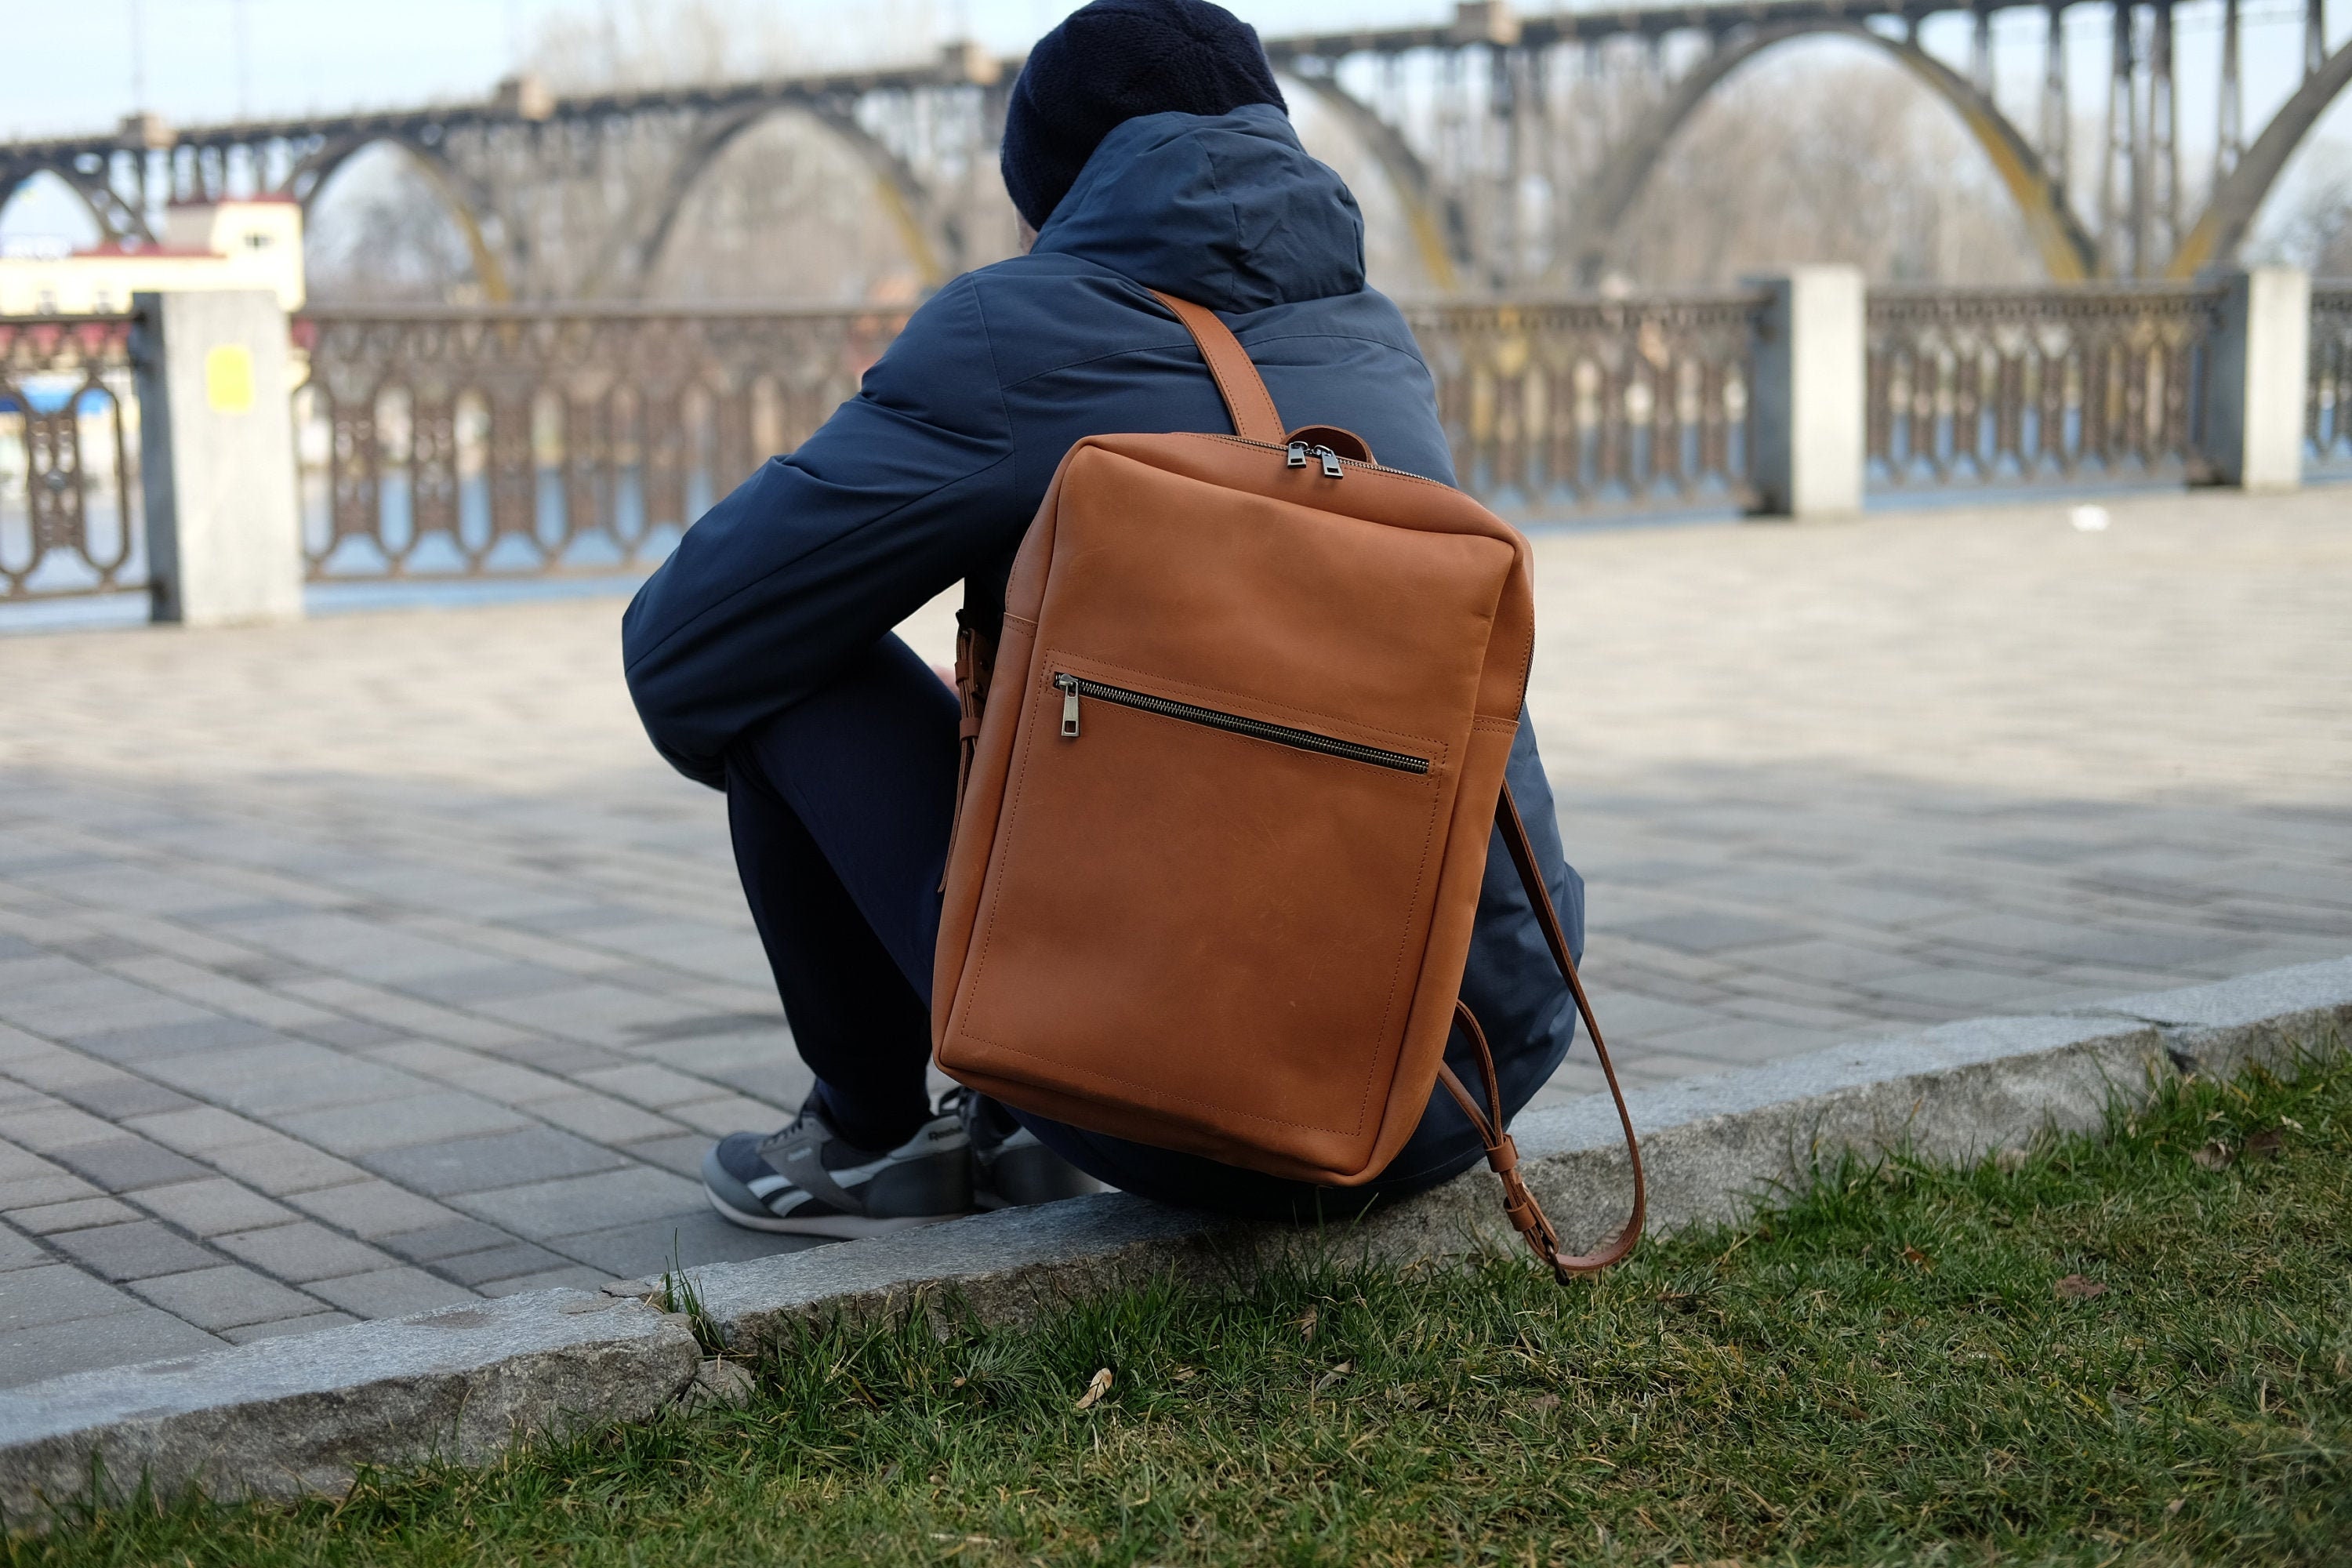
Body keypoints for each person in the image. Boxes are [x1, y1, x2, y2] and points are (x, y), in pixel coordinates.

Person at [621, 0, 1587, 1237]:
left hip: (1189, 1117)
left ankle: (870, 1138)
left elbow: (684, 643)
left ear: (1052, 192)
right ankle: (1021, 1129)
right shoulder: (1374, 340)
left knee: (777, 654)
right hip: (1466, 1077)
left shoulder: (1010, 336)